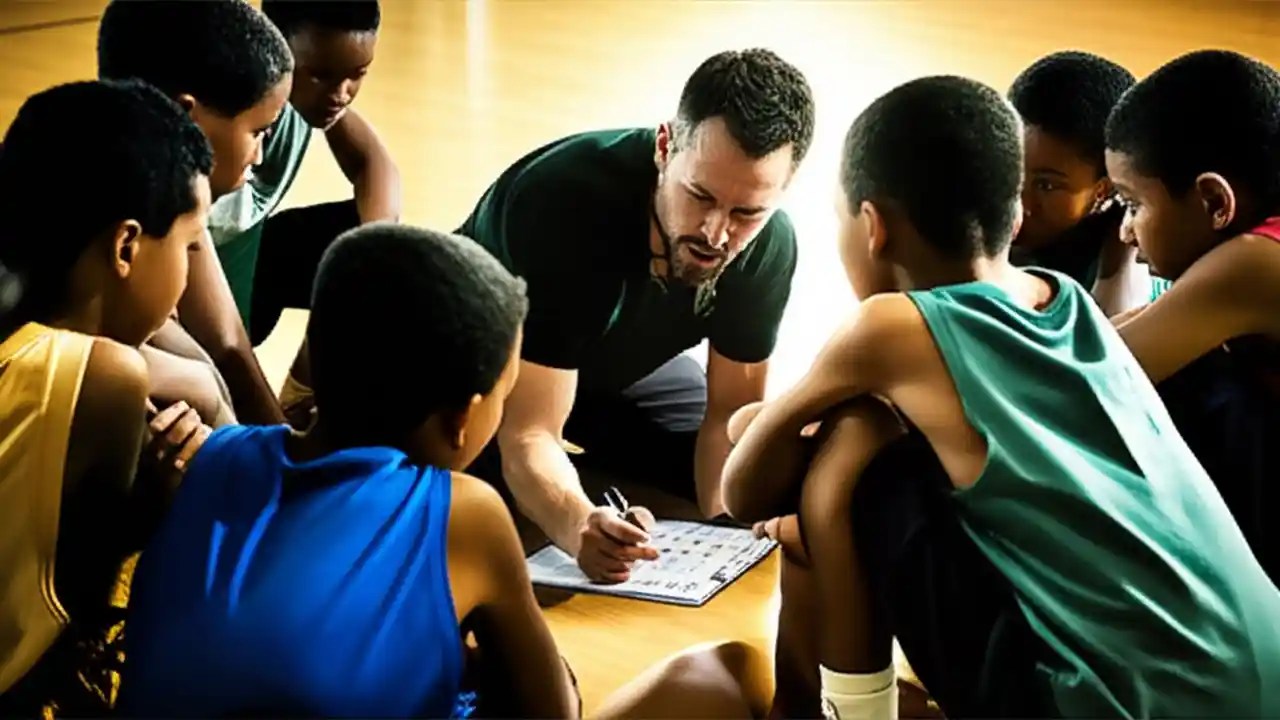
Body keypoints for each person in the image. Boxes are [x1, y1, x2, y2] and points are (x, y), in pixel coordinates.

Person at [722, 75, 1280, 719]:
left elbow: (742, 493)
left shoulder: (887, 329)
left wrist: (767, 425)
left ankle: (853, 712)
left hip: (1132, 708)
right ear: (1013, 218)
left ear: (871, 226)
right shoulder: (1069, 304)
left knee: (855, 441)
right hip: (1259, 676)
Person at [118, 224, 771, 719]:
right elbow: (552, 710)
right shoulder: (464, 513)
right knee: (726, 674)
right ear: (464, 419)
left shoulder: (204, 456)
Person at [457, 48, 814, 583]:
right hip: (485, 373)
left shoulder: (769, 248)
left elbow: (730, 415)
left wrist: (728, 538)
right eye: (700, 196)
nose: (716, 234)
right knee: (468, 507)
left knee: (762, 477)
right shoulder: (562, 204)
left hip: (618, 366)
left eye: (746, 213)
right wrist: (581, 526)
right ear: (665, 147)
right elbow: (530, 432)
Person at [0, 79, 213, 716]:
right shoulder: (105, 377)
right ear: (125, 245)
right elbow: (90, 625)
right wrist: (169, 500)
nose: (187, 275)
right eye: (191, 246)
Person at [1106, 49, 1280, 583]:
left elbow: (1093, 369)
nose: (1124, 232)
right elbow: (1121, 329)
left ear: (1213, 202)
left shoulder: (1255, 265)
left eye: (1132, 203)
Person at [97, 0, 295, 427]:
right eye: (258, 131)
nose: (259, 156)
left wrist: (293, 465)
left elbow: (227, 343)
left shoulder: (161, 182)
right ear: (186, 117)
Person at [240, 0, 400, 425]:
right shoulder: (222, 116)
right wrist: (279, 439)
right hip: (182, 310)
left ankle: (306, 391)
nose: (341, 94)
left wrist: (365, 270)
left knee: (377, 248)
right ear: (271, 44)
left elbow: (375, 165)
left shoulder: (311, 98)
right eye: (321, 75)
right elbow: (220, 338)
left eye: (357, 74)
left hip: (243, 277)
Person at [1007, 50, 1164, 315]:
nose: (1020, 203)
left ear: (1105, 189)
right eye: (1013, 168)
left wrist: (1121, 254)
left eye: (1046, 186)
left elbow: (1111, 337)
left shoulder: (1128, 237)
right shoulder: (978, 185)